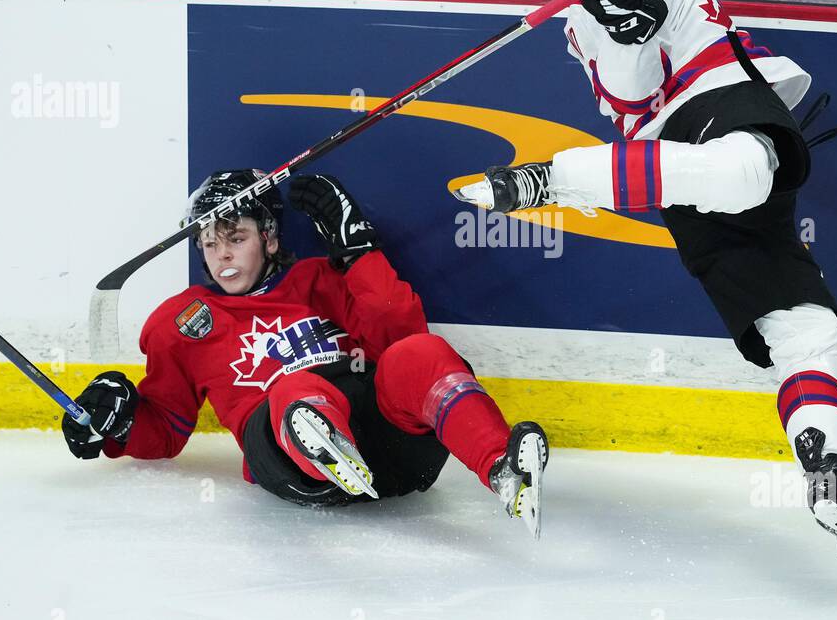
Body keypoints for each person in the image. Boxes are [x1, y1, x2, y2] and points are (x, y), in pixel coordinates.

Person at [456, 0, 837, 564]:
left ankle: (832, 482)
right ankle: (555, 180)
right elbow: (631, 80)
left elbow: (621, 18)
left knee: (809, 329)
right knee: (743, 171)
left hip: (683, 170)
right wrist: (623, 16)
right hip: (710, 127)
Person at [62, 170, 549, 536]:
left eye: (237, 238)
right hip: (284, 454)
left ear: (269, 237)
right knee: (296, 392)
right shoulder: (181, 321)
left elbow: (399, 337)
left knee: (422, 352)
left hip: (388, 444)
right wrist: (117, 423)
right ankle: (322, 447)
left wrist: (358, 252)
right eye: (210, 243)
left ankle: (503, 470)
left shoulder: (318, 279)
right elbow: (164, 429)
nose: (222, 254)